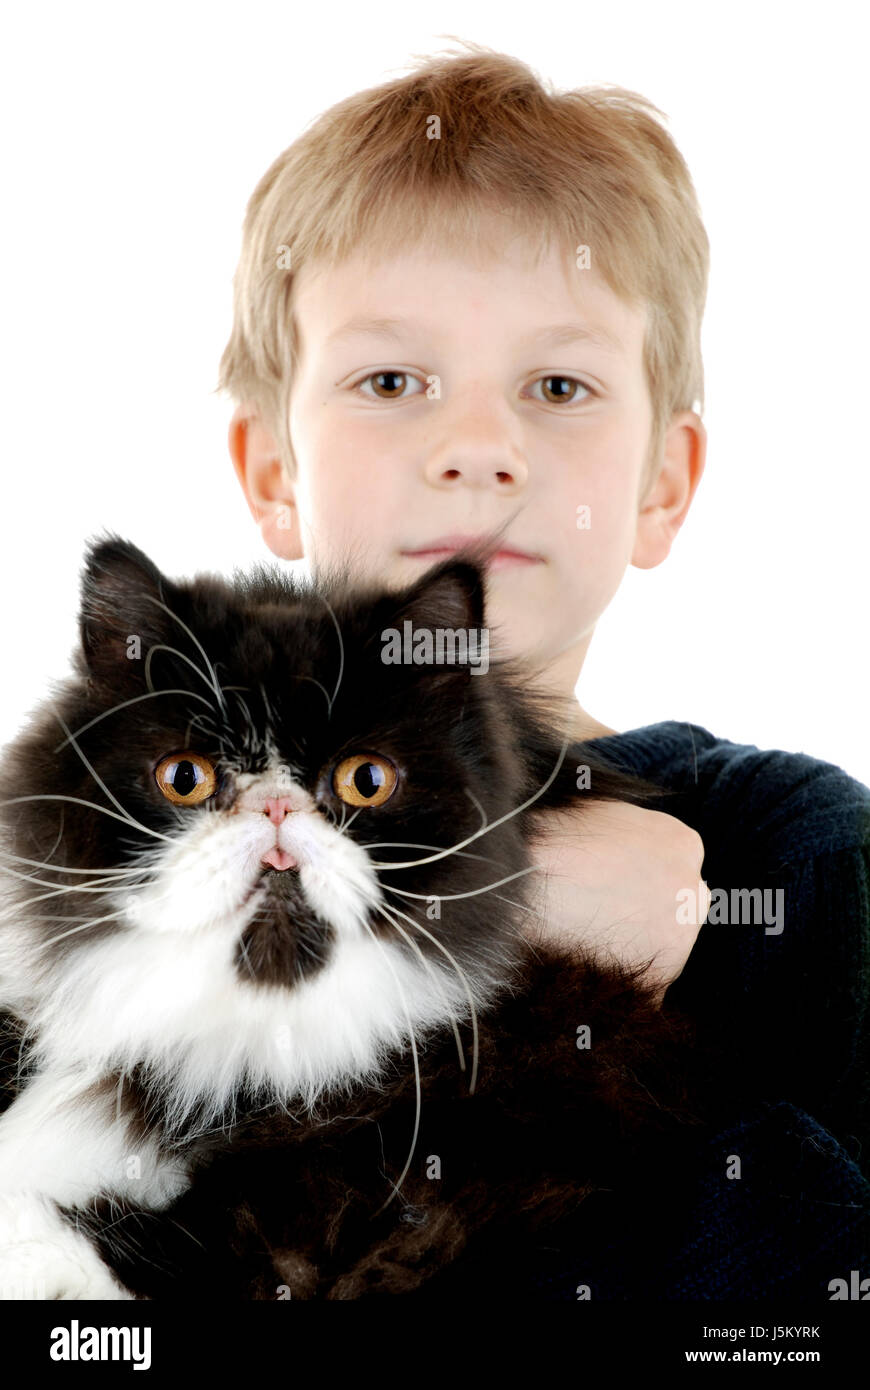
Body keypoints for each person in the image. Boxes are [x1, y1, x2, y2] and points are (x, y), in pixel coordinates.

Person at [218, 42, 869, 1298]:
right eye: (392, 379)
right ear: (272, 472)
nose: (479, 446)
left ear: (661, 485)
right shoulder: (111, 811)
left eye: (558, 384)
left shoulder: (788, 849)